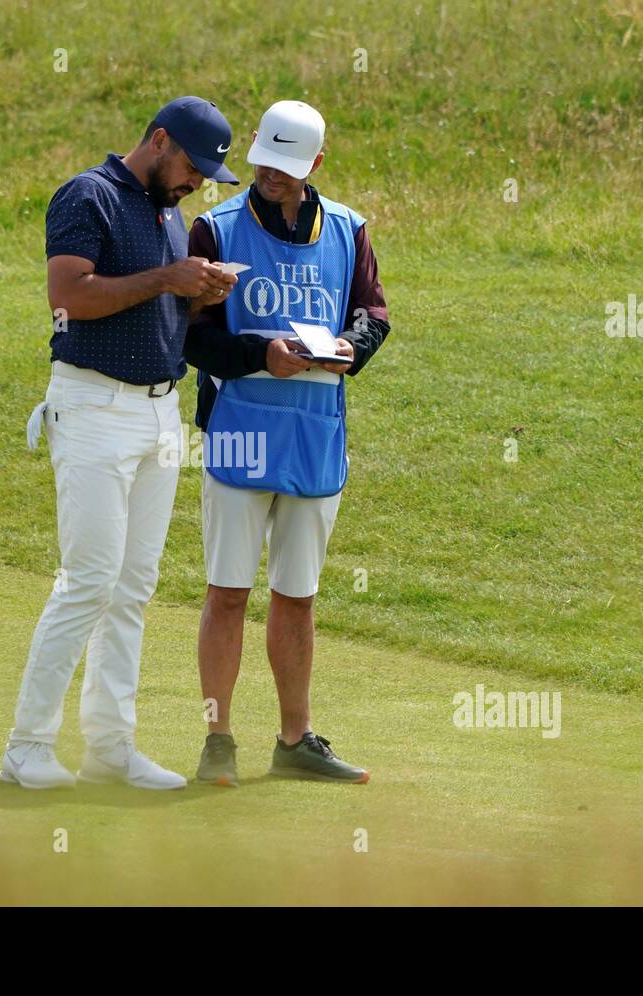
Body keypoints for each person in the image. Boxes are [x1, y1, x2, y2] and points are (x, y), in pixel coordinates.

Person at [1, 96, 257, 790]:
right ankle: (27, 747)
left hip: (158, 415)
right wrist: (169, 280)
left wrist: (198, 294)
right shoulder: (89, 195)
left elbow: (153, 303)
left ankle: (110, 749)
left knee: (133, 588)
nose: (195, 184)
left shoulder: (169, 213)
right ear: (159, 140)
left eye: (207, 176)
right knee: (87, 581)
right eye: (191, 167)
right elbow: (70, 297)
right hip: (91, 406)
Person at [186, 100, 391, 786]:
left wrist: (349, 345)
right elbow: (190, 337)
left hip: (314, 436)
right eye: (264, 163)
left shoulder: (348, 230)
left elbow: (373, 314)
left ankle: (294, 739)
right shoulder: (212, 229)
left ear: (315, 166)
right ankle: (218, 740)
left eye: (288, 167)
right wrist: (255, 354)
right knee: (227, 594)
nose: (272, 176)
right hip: (239, 431)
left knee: (297, 596)